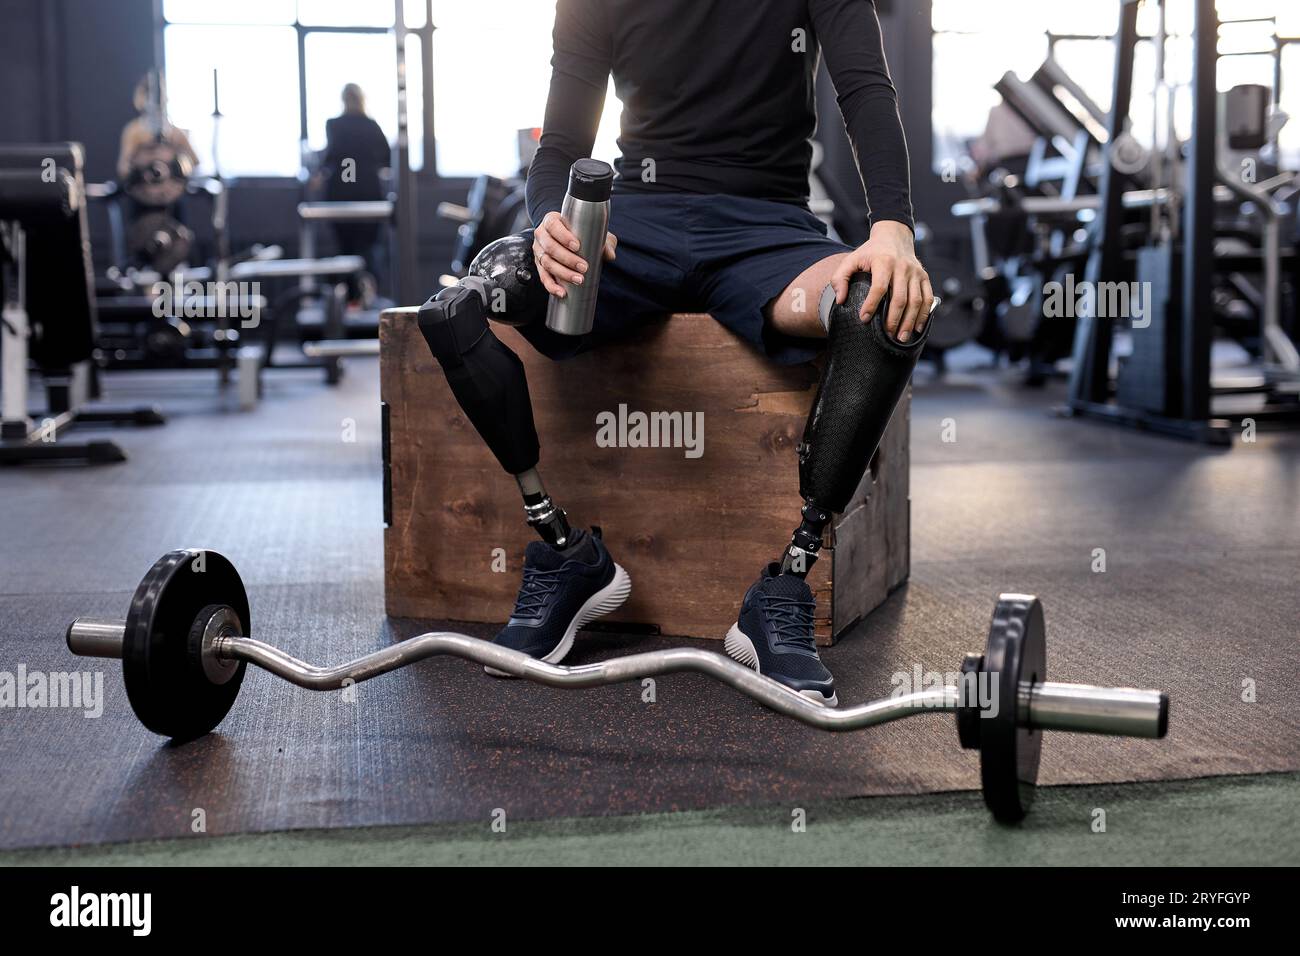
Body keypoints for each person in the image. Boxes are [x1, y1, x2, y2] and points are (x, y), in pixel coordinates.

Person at [418, 0, 934, 706]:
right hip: (631, 230)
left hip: (766, 230)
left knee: (884, 303)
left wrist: (892, 228)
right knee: (472, 300)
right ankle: (567, 551)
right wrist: (550, 223)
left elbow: (865, 87)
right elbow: (562, 142)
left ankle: (786, 579)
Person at [319, 84, 391, 295]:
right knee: (368, 250)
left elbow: (331, 157)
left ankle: (349, 296)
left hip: (340, 194)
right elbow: (387, 157)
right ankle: (368, 293)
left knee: (345, 250)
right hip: (368, 194)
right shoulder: (371, 125)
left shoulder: (334, 125)